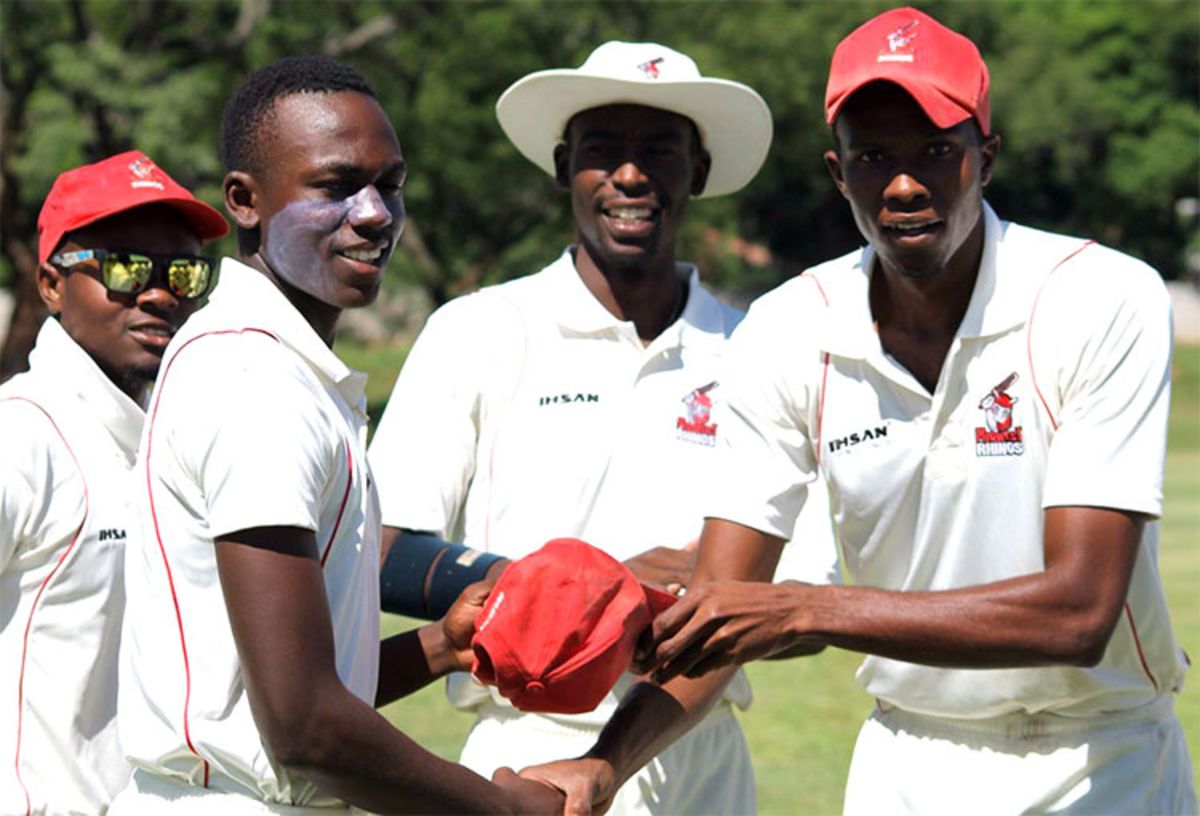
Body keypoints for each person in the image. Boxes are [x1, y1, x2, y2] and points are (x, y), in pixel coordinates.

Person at [519, 8, 1197, 815]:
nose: (904, 186)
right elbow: (724, 608)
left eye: (936, 151)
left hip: (1105, 759)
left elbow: (1080, 613)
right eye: (874, 157)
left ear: (986, 157)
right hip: (905, 758)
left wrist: (808, 609)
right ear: (839, 173)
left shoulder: (1098, 296)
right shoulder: (789, 327)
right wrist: (605, 764)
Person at [367, 40, 838, 815]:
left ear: (699, 171)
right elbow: (383, 553)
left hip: (699, 740)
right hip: (529, 738)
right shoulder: (480, 329)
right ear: (564, 167)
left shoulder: (758, 347)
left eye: (659, 150)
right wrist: (596, 595)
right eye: (602, 149)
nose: (630, 175)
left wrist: (704, 601)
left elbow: (809, 598)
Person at [112, 56, 561, 814]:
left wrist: (441, 646)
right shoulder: (256, 382)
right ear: (244, 201)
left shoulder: (280, 368)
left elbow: (275, 691)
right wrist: (506, 809)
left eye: (390, 184)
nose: (375, 213)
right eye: (335, 186)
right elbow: (303, 730)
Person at [0, 151, 228, 815]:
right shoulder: (23, 436)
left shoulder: (179, 437)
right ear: (51, 284)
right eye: (126, 269)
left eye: (182, 273)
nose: (160, 295)